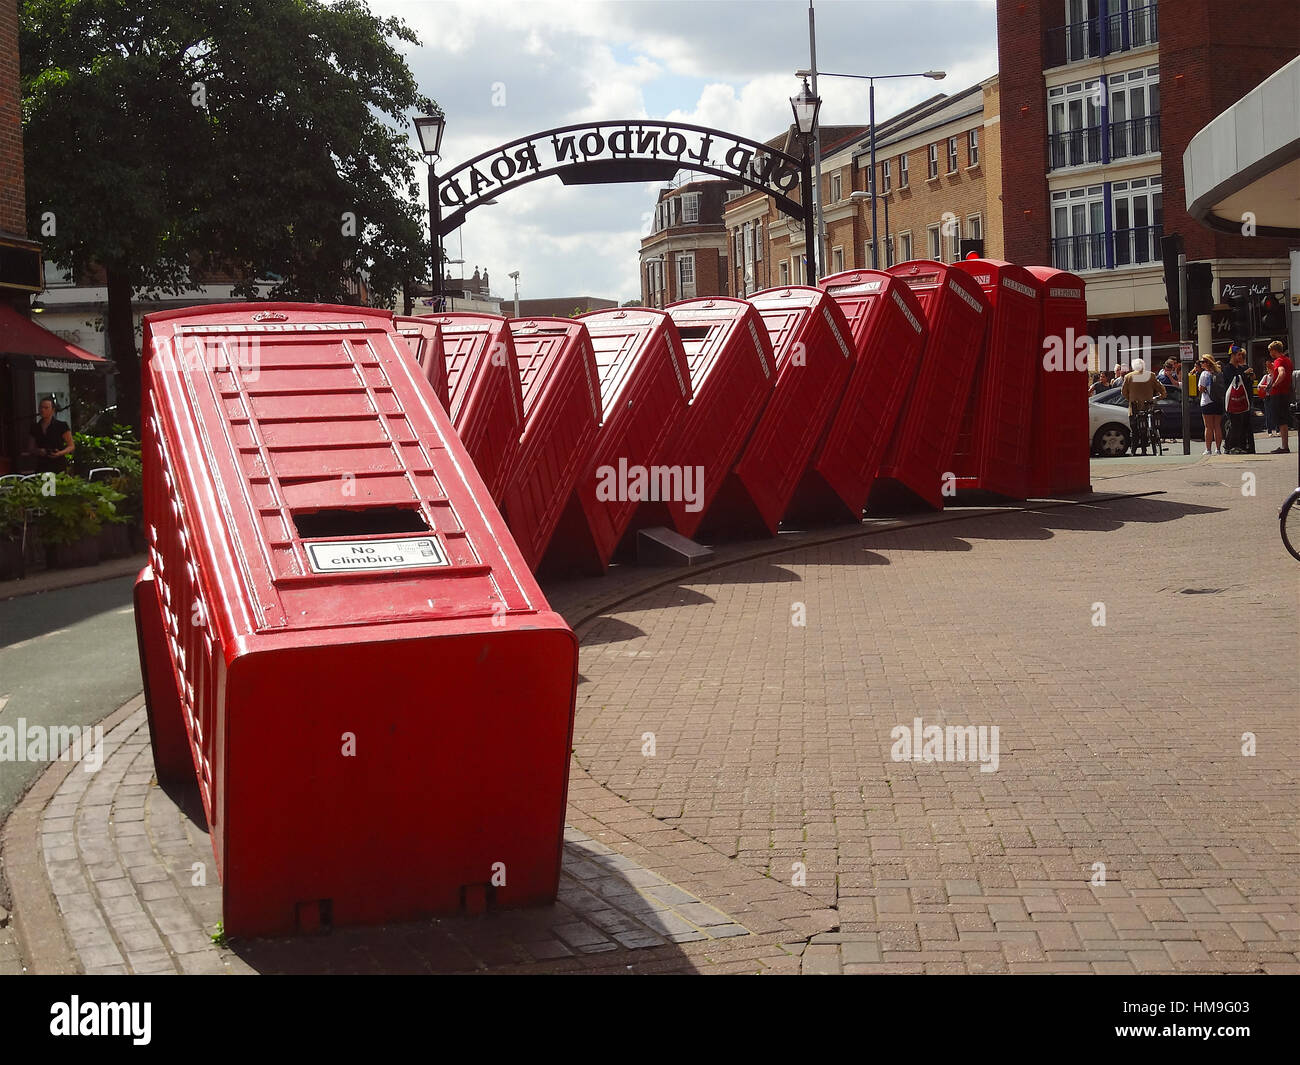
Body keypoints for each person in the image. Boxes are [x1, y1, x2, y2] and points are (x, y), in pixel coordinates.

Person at [1121, 358, 1166, 455]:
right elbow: (1161, 388)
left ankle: (1133, 450)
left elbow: (1123, 392)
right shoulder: (1151, 375)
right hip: (1147, 405)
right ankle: (1145, 449)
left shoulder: (1128, 377)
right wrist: (1160, 396)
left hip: (1134, 407)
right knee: (1147, 427)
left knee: (1134, 430)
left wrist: (1130, 399)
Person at [1222, 345, 1256, 454]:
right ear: (1232, 355)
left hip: (1241, 401)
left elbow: (1245, 384)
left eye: (1241, 354)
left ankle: (1240, 445)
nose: (1240, 357)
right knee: (1233, 423)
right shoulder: (1227, 368)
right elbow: (1233, 380)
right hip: (1231, 400)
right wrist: (1244, 374)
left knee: (1241, 424)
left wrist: (1250, 378)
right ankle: (1229, 446)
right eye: (1238, 355)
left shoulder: (1241, 368)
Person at [28, 396, 74, 473]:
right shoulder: (35, 427)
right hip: (42, 464)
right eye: (41, 407)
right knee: (44, 484)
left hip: (58, 465)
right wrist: (38, 451)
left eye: (46, 408)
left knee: (57, 484)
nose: (42, 410)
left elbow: (71, 446)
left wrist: (59, 453)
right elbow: (30, 447)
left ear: (53, 410)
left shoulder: (61, 425)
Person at [1266, 339, 1293, 454]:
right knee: (1284, 419)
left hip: (1278, 393)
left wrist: (1274, 385)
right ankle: (1284, 445)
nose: (1270, 354)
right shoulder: (1288, 360)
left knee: (1280, 419)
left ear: (1273, 351)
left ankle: (1284, 446)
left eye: (1270, 351)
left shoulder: (1279, 361)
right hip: (1286, 392)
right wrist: (1272, 370)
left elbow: (1282, 373)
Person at [1197, 354, 1225, 455]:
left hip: (1207, 402)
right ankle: (1218, 449)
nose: (1201, 363)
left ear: (1208, 362)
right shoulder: (1219, 373)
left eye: (1202, 362)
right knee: (1217, 426)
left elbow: (1201, 388)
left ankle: (1208, 449)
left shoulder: (1204, 374)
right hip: (1218, 402)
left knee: (1208, 426)